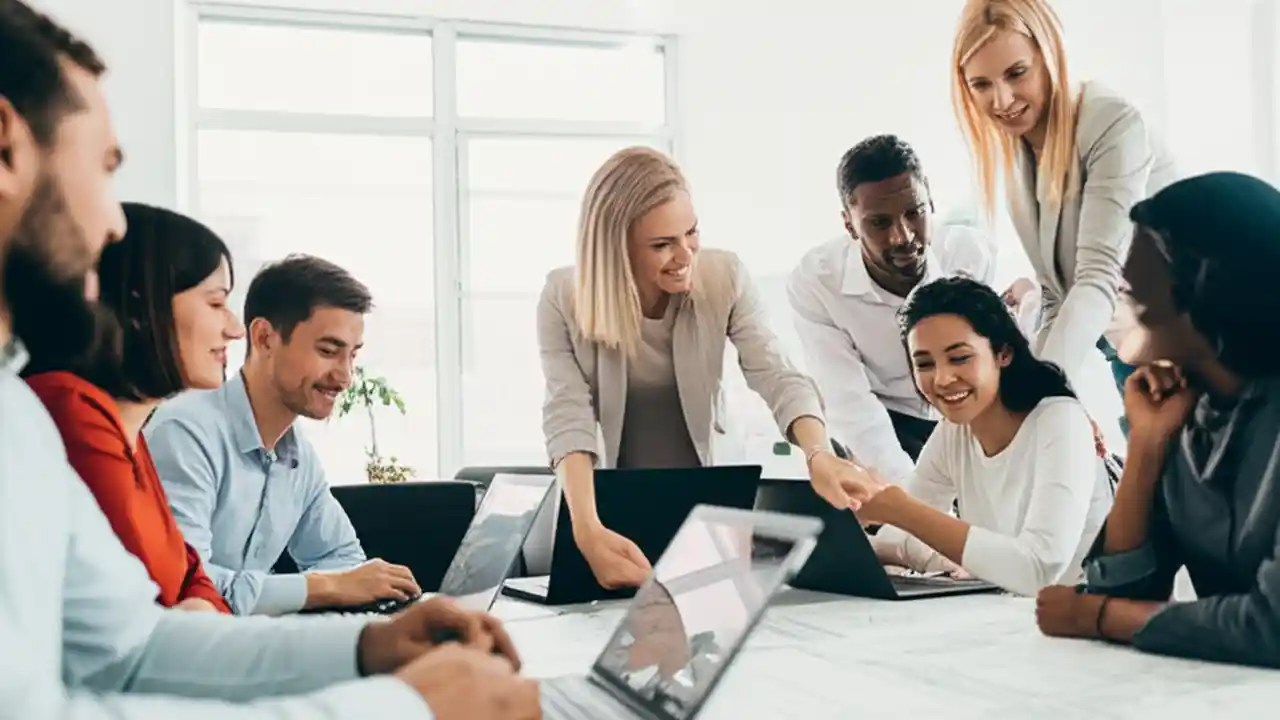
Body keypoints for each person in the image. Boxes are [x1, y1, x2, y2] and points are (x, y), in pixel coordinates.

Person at [0, 1, 538, 717]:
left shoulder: (18, 418)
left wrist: (372, 648)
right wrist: (407, 707)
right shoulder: (83, 420)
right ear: (7, 146)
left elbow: (136, 648)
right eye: (103, 166)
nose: (116, 222)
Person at [538, 146, 884, 589]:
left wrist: (818, 453)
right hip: (607, 510)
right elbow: (568, 414)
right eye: (662, 245)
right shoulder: (563, 297)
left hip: (709, 508)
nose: (685, 255)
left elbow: (777, 374)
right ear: (615, 251)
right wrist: (585, 528)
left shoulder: (724, 277)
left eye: (691, 232)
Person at [1035, 172, 1280, 669]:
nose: (1123, 272)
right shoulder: (1184, 412)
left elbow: (1271, 627)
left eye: (1145, 247)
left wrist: (1097, 617)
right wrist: (1146, 447)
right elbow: (1126, 585)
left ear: (1205, 280)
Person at [951, 0, 1177, 455]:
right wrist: (1036, 392)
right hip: (1128, 353)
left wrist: (1034, 400)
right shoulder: (1015, 154)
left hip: (1195, 349)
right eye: (981, 84)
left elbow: (1097, 278)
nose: (1002, 101)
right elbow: (1056, 293)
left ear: (1050, 56)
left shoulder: (1111, 123)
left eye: (1017, 74)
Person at [145, 254, 421, 616]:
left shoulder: (298, 457)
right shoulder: (185, 434)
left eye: (351, 356)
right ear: (264, 338)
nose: (345, 377)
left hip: (247, 647)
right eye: (328, 351)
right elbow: (185, 588)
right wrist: (327, 587)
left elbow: (341, 559)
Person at [19, 203, 243, 613]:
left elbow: (193, 573)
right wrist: (198, 615)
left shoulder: (130, 430)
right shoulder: (69, 410)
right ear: (143, 308)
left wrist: (201, 612)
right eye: (215, 303)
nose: (235, 328)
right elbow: (151, 600)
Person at [856, 276, 1112, 596]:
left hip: (1093, 622)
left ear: (1002, 353)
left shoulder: (1061, 420)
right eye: (924, 364)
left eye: (960, 357)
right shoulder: (956, 430)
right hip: (1015, 618)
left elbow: (1040, 569)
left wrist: (899, 510)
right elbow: (908, 533)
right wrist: (850, 531)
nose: (943, 378)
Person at [788, 134, 994, 483]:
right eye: (879, 223)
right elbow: (850, 405)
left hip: (966, 411)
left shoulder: (968, 256)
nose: (903, 236)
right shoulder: (817, 283)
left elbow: (996, 366)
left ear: (930, 198)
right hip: (886, 420)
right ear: (849, 223)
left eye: (914, 213)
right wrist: (918, 505)